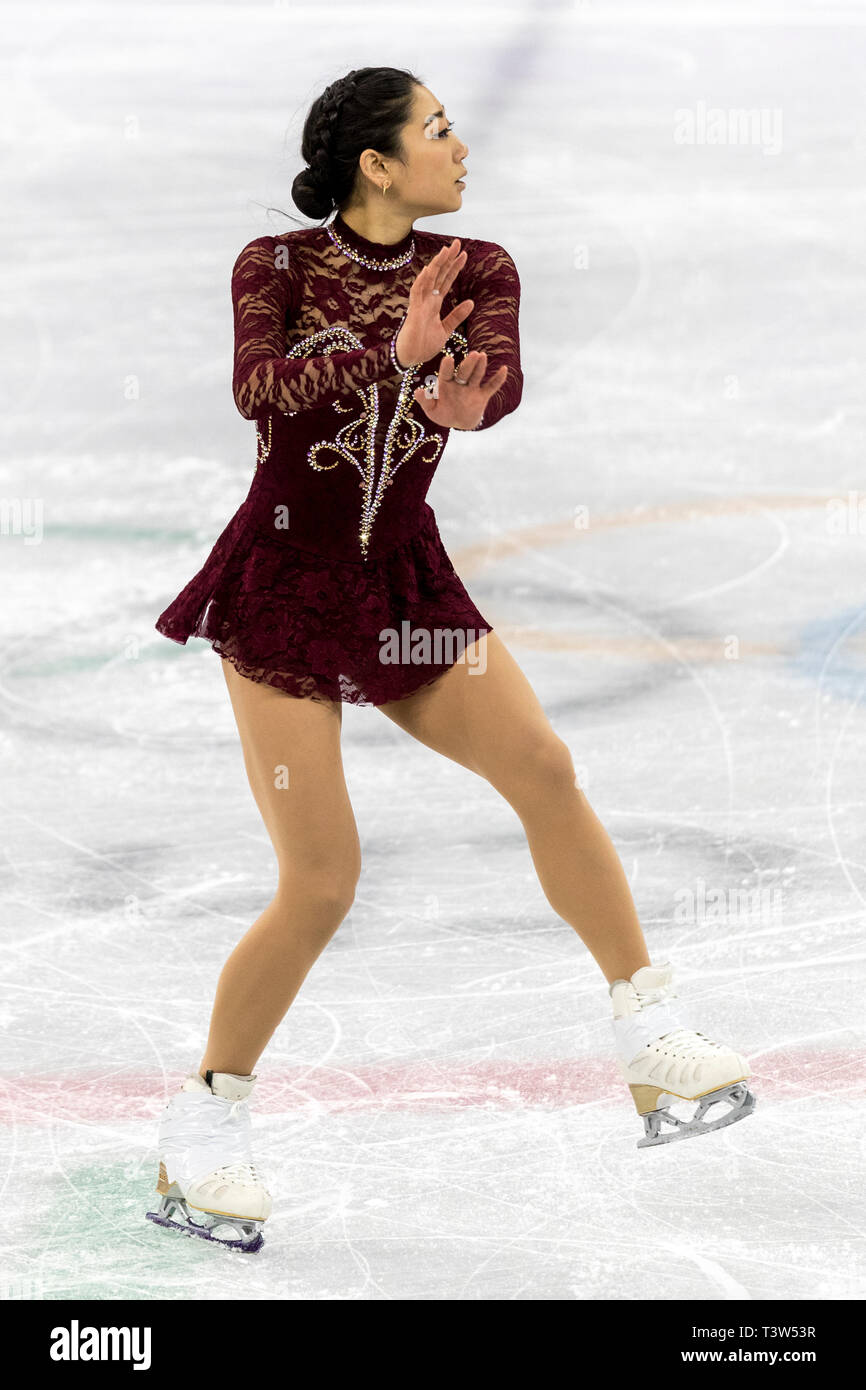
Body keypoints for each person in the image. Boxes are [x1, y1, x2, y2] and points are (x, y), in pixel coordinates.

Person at [146, 67, 755, 1254]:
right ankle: (203, 1120)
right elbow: (258, 392)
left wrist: (468, 404)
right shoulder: (270, 267)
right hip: (284, 586)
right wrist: (391, 352)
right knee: (320, 881)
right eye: (435, 130)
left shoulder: (479, 268)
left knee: (540, 763)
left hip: (402, 582)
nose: (459, 145)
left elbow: (496, 382)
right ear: (376, 163)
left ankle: (648, 1034)